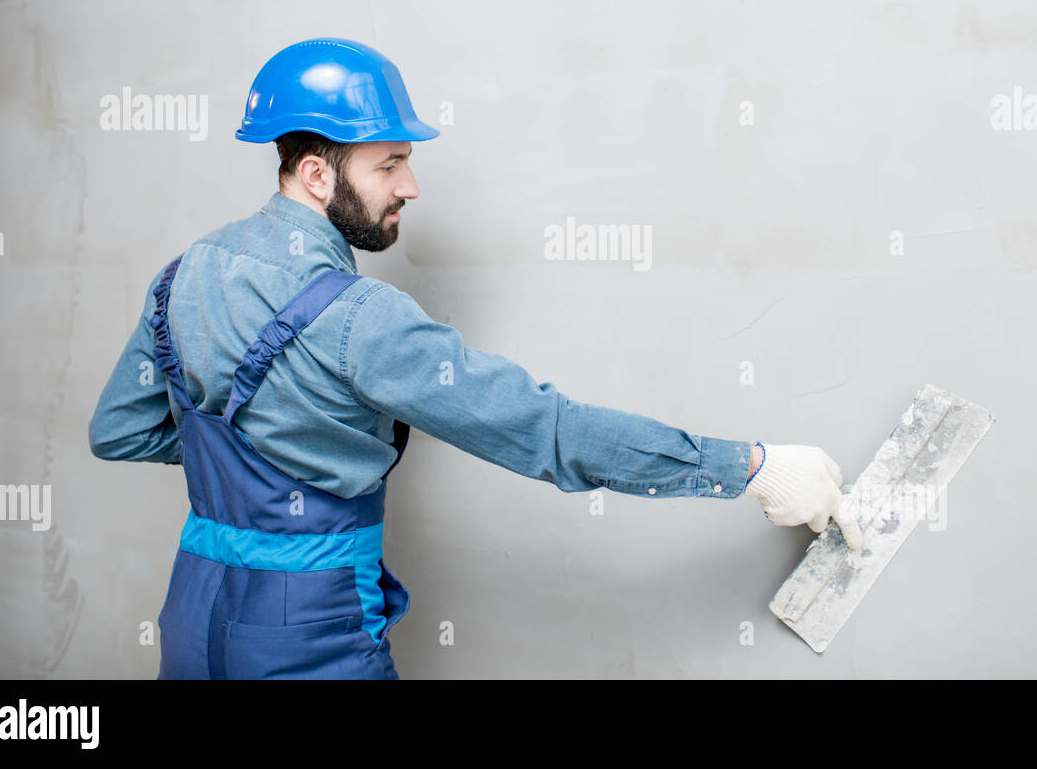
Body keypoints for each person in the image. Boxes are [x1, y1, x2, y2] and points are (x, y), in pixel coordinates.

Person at [87, 37, 861, 680]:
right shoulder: (363, 319)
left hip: (192, 623)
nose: (411, 185)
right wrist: (750, 465)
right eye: (388, 163)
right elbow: (546, 431)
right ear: (317, 173)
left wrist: (256, 454)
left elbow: (118, 431)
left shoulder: (181, 276)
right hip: (306, 637)